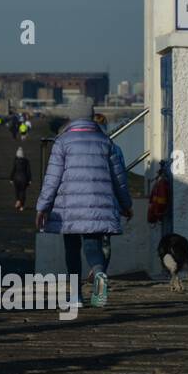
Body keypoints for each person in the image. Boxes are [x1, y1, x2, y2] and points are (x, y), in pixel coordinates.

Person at [34, 107, 133, 308]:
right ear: (91, 117)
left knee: (71, 249)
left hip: (68, 208)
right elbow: (119, 179)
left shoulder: (62, 142)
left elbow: (52, 179)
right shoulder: (107, 143)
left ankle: (76, 297)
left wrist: (42, 207)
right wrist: (126, 204)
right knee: (93, 246)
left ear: (72, 117)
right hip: (97, 208)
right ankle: (99, 276)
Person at [9, 147, 32, 211]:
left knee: (17, 191)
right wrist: (30, 179)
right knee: (23, 192)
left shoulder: (15, 161)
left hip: (16, 178)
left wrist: (11, 178)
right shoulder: (26, 161)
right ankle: (21, 205)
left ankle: (18, 201)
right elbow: (28, 171)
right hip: (24, 179)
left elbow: (13, 170)